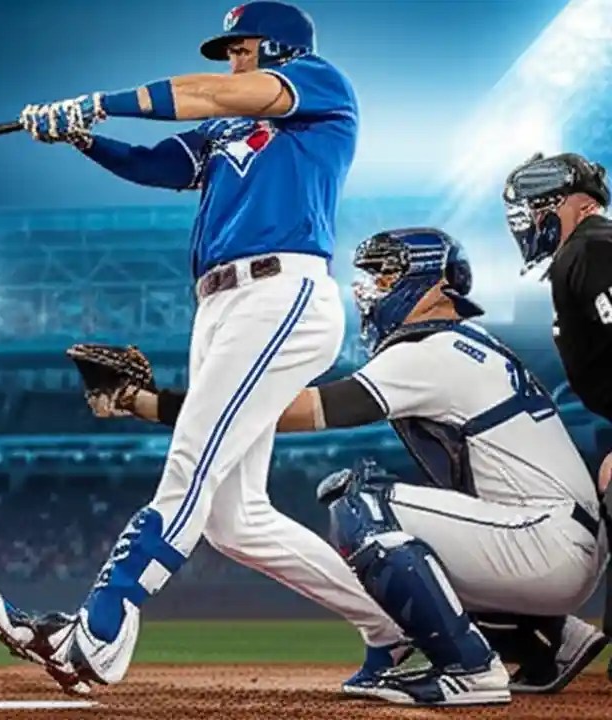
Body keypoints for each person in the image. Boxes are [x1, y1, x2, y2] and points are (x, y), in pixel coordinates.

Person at [0, 1, 410, 699]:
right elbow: (157, 165)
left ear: (277, 49)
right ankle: (400, 630)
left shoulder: (321, 84)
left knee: (190, 461)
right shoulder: (225, 129)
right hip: (219, 305)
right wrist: (84, 137)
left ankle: (97, 631)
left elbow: (204, 92)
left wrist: (95, 101)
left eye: (241, 48)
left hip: (281, 291)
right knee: (236, 521)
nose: (231, 60)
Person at [90, 228, 610, 705]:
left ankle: (470, 671)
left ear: (432, 283)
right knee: (418, 563)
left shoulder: (431, 350)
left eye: (386, 273)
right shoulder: (464, 346)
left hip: (547, 543)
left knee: (362, 504)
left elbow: (286, 411)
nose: (371, 288)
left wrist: (147, 402)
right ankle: (552, 641)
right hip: (558, 540)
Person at [503, 151, 612, 682]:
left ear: (569, 203)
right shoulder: (585, 252)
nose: (526, 219)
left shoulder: (595, 249)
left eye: (533, 205)